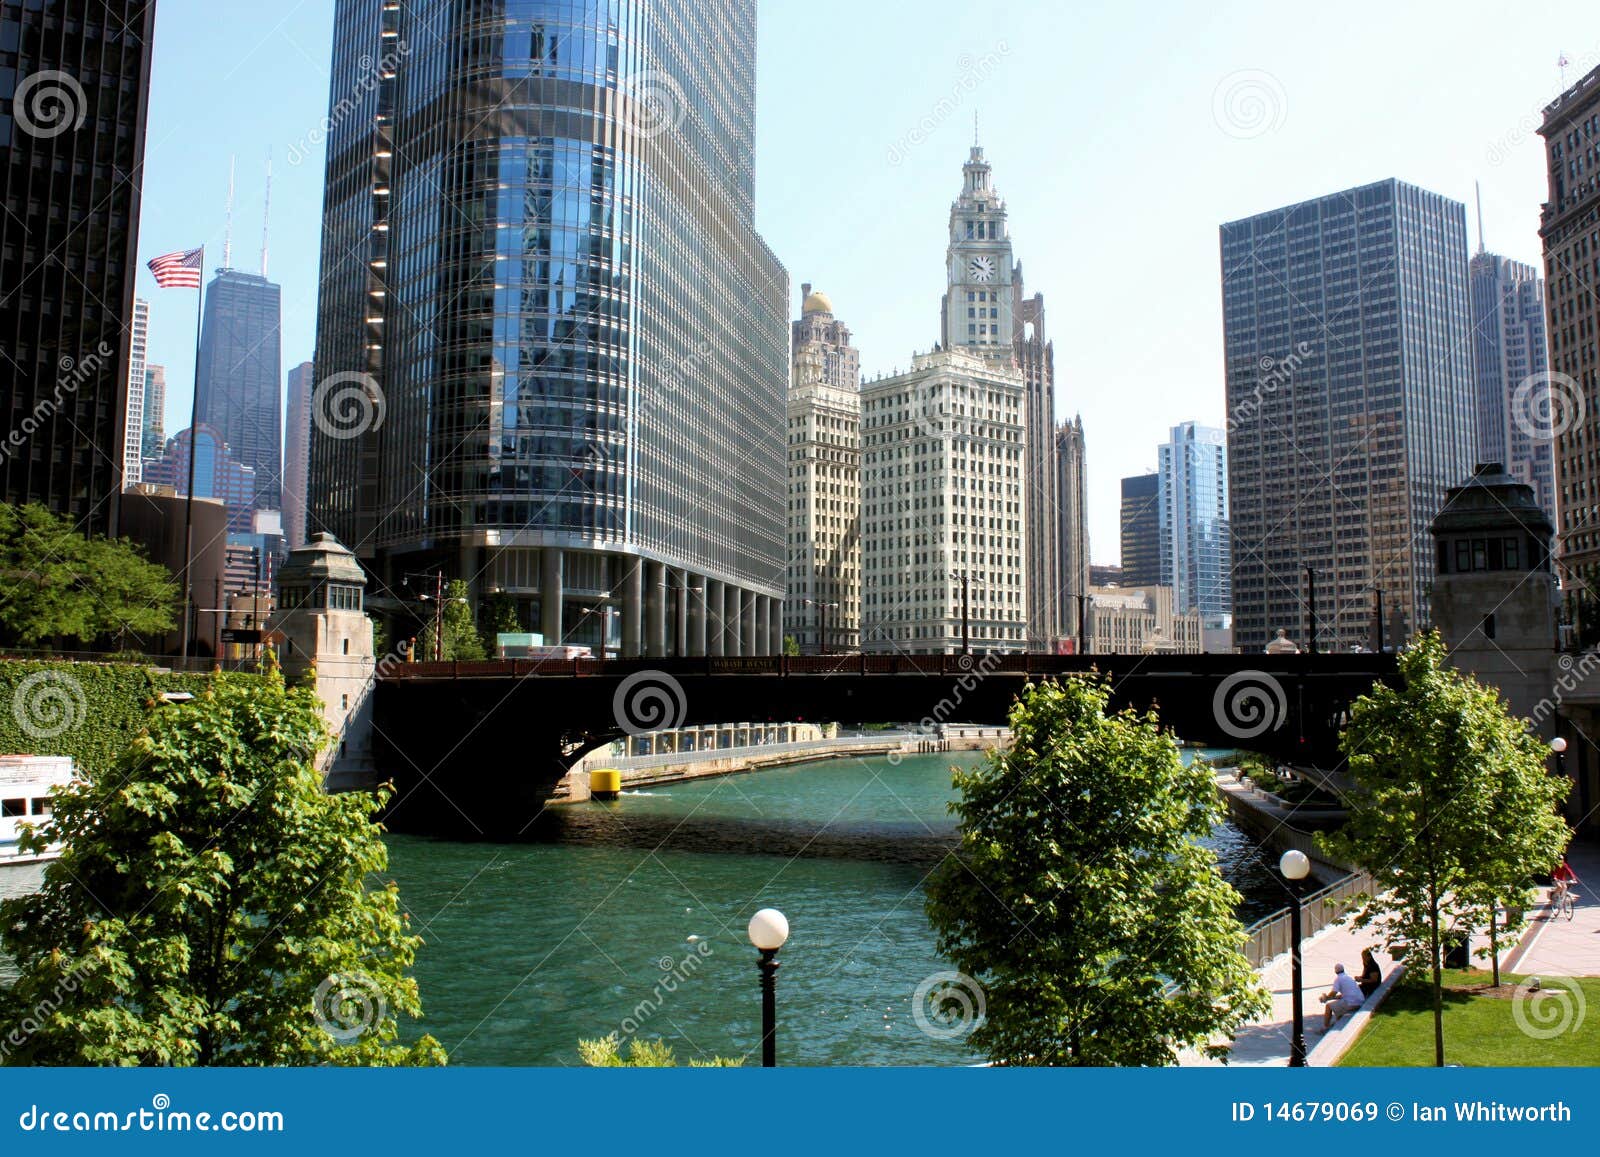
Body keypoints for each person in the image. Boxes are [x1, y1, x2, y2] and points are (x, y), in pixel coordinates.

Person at [1319, 963, 1365, 1030]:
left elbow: (1333, 993)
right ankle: (1336, 1024)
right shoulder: (1349, 978)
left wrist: (1326, 998)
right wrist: (1328, 998)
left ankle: (1325, 1027)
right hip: (1360, 1001)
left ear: (1335, 971)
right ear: (1343, 970)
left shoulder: (1338, 979)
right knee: (1339, 1005)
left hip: (1352, 1003)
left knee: (1328, 1006)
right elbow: (1341, 996)